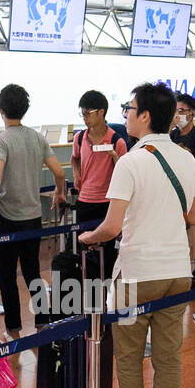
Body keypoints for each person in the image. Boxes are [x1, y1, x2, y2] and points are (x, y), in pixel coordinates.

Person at [79, 82, 195, 388]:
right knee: (169, 357)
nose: (126, 114)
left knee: (129, 355)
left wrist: (89, 237)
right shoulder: (185, 158)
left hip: (136, 274)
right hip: (176, 271)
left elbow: (112, 227)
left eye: (128, 108)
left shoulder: (131, 161)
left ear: (146, 115)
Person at [0, 83, 67, 332]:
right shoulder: (36, 138)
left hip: (8, 217)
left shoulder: (1, 140)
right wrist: (59, 193)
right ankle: (42, 320)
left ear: (1, 110)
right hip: (33, 217)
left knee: (6, 274)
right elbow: (59, 171)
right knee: (32, 272)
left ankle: (13, 327)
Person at [71, 90, 128, 278]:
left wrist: (114, 157)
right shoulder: (80, 138)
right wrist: (77, 175)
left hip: (107, 203)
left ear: (101, 112)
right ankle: (92, 300)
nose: (85, 118)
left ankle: (107, 298)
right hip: (85, 201)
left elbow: (125, 172)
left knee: (108, 253)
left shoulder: (116, 141)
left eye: (88, 113)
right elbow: (75, 159)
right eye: (83, 114)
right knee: (85, 253)